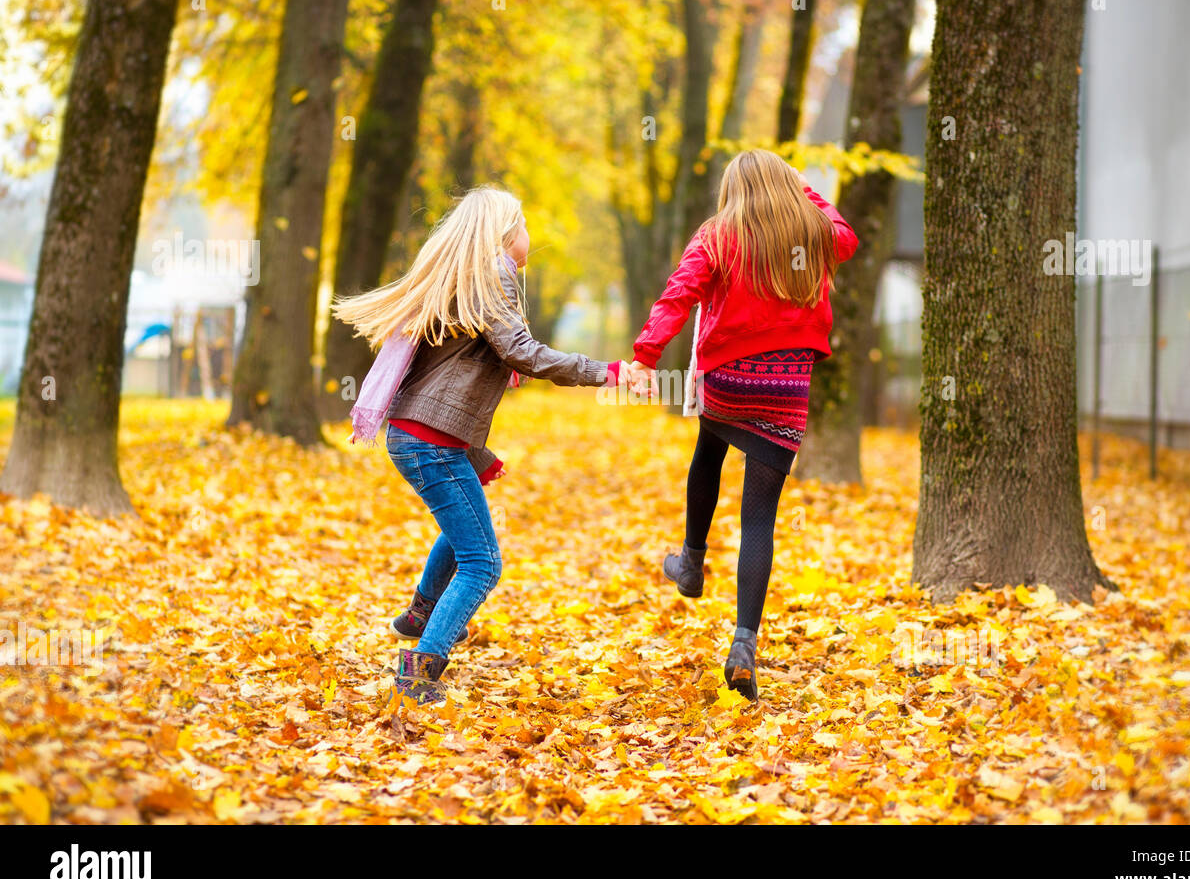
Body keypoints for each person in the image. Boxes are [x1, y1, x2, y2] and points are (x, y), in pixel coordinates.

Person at [334, 185, 624, 707]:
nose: (529, 238)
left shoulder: (467, 277)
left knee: (464, 530)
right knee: (483, 562)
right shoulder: (494, 274)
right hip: (431, 440)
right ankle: (418, 671)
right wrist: (604, 372)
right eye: (524, 226)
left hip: (422, 434)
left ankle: (422, 610)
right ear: (506, 232)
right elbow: (523, 353)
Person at [625, 150, 858, 701]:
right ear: (788, 186)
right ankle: (744, 644)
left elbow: (679, 294)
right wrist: (809, 192)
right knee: (760, 520)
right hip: (787, 387)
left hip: (727, 380)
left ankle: (691, 561)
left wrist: (645, 356)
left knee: (709, 446)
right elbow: (846, 236)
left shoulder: (719, 234)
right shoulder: (810, 231)